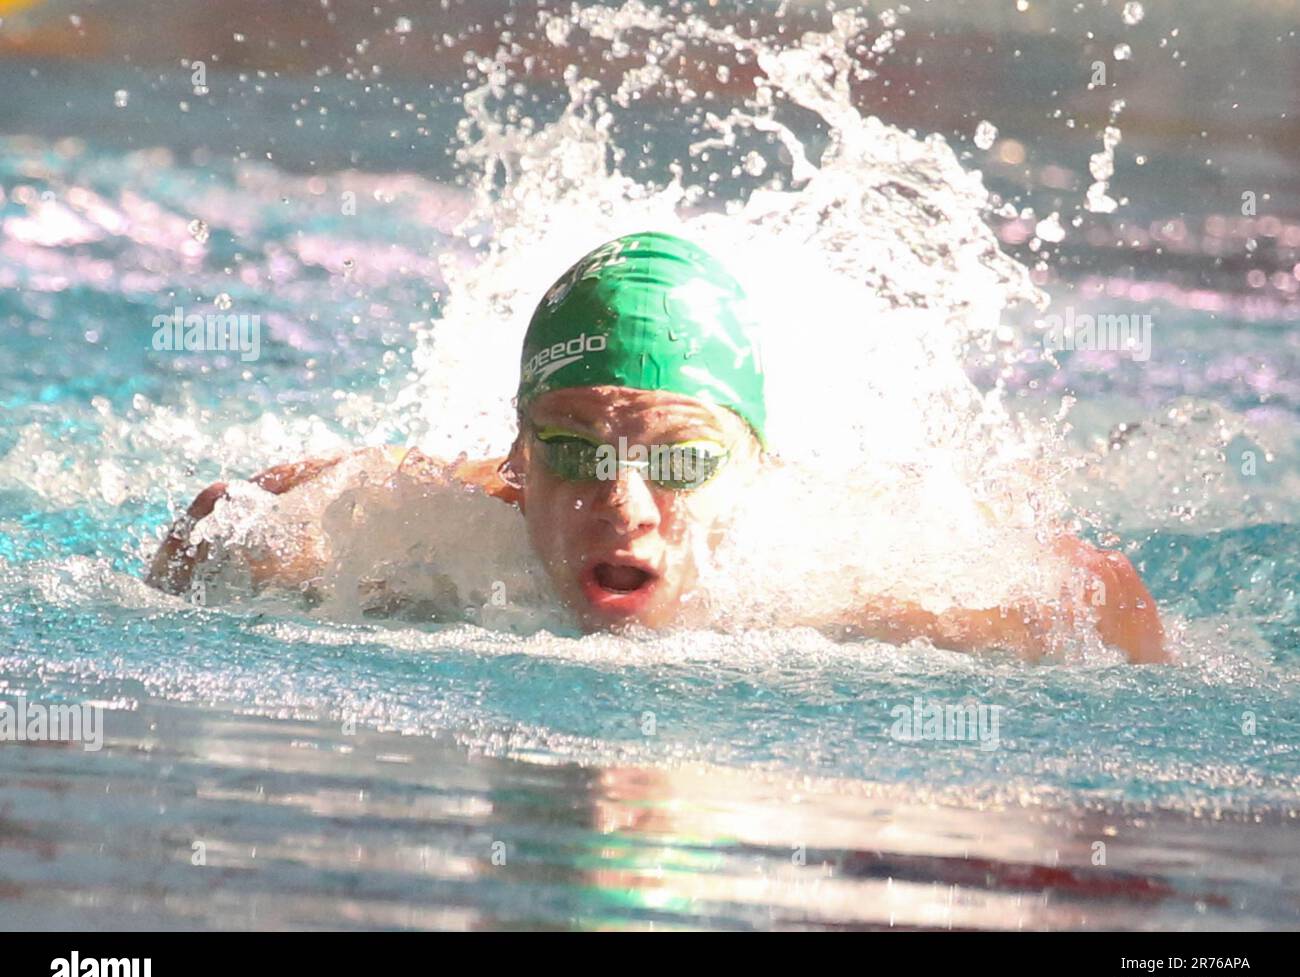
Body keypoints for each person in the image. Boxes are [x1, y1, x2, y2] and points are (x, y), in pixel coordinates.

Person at [148, 231, 1167, 663]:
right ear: (516, 464)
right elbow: (226, 512)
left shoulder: (843, 577)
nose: (624, 503)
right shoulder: (434, 531)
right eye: (575, 448)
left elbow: (1101, 592)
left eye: (679, 458)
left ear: (750, 469)